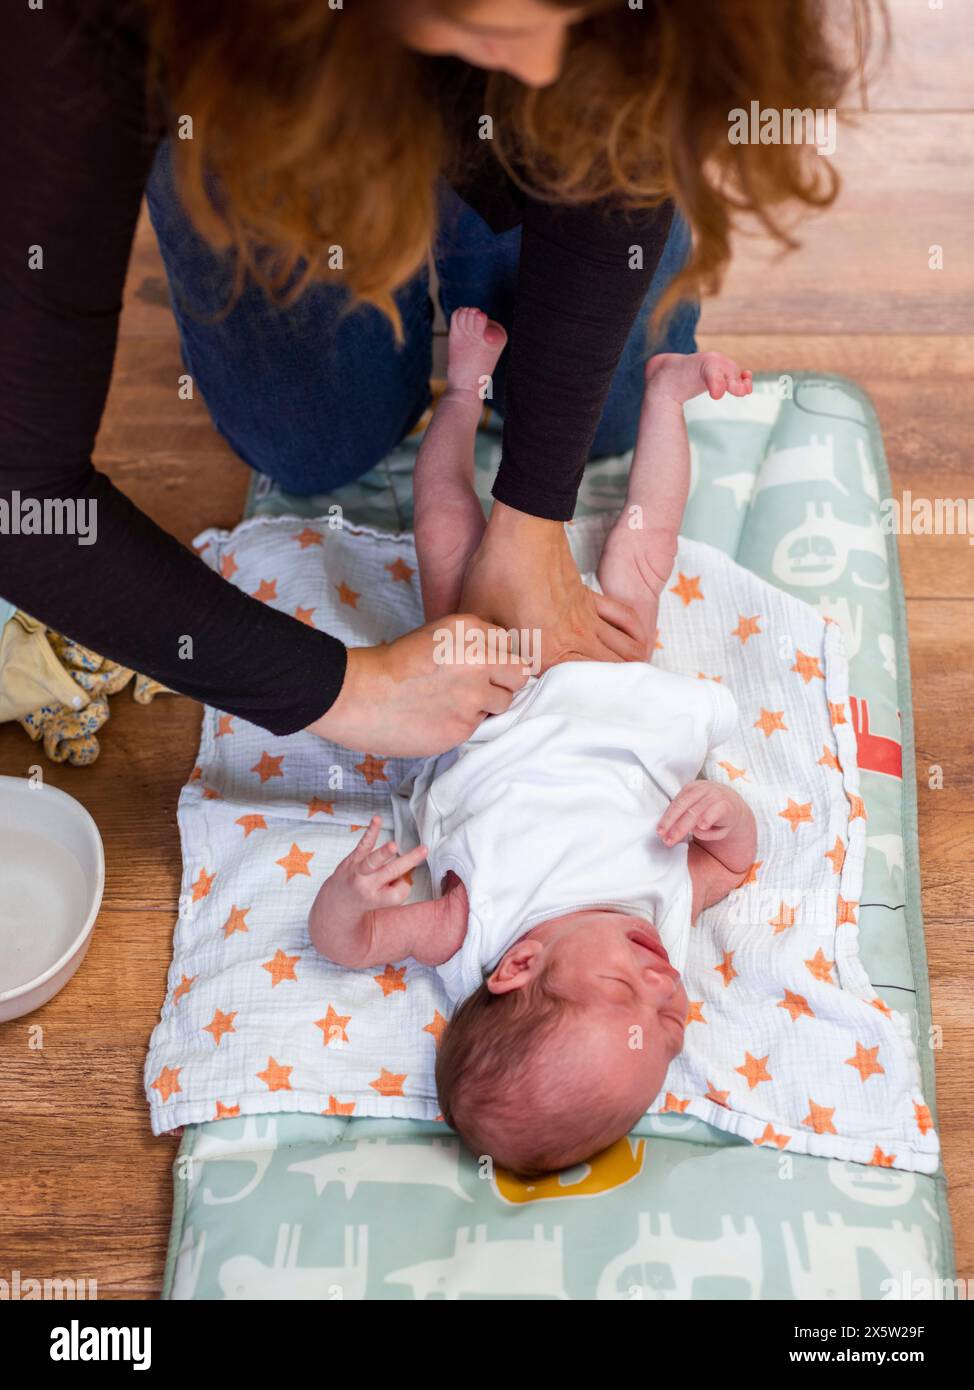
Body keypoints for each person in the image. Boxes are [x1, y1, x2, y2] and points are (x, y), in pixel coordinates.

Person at [0, 0, 879, 755]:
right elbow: (20, 494)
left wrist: (534, 515)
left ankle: (477, 342)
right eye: (494, 21)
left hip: (484, 106)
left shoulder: (577, 51)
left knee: (601, 423)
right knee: (313, 449)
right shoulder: (78, 33)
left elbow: (612, 113)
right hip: (256, 96)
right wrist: (354, 692)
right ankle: (458, 365)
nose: (541, 59)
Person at [308, 311, 758, 1175]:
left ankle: (465, 391)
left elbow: (347, 944)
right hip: (609, 675)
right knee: (643, 551)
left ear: (519, 966)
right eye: (669, 1028)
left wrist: (349, 895)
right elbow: (736, 864)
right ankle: (667, 395)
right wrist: (725, 813)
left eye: (626, 996)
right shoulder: (663, 918)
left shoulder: (474, 929)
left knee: (444, 531)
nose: (664, 990)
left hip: (484, 685)